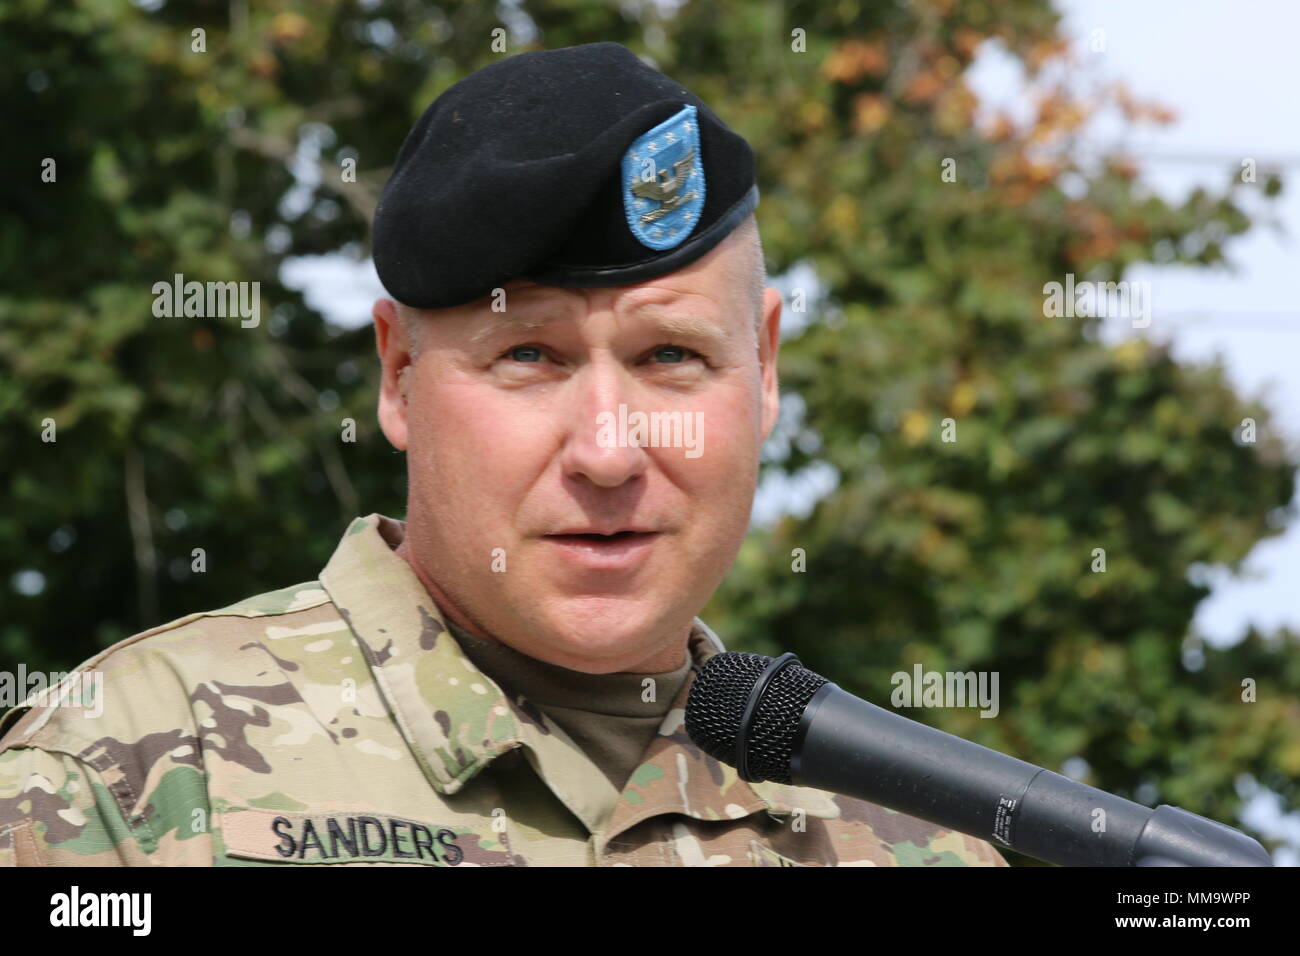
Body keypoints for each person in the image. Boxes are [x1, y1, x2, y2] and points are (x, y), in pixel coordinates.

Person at [0, 41, 1006, 867]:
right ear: (397, 377)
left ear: (766, 366)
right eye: (529, 354)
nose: (610, 452)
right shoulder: (125, 777)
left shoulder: (913, 838)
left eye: (671, 354)